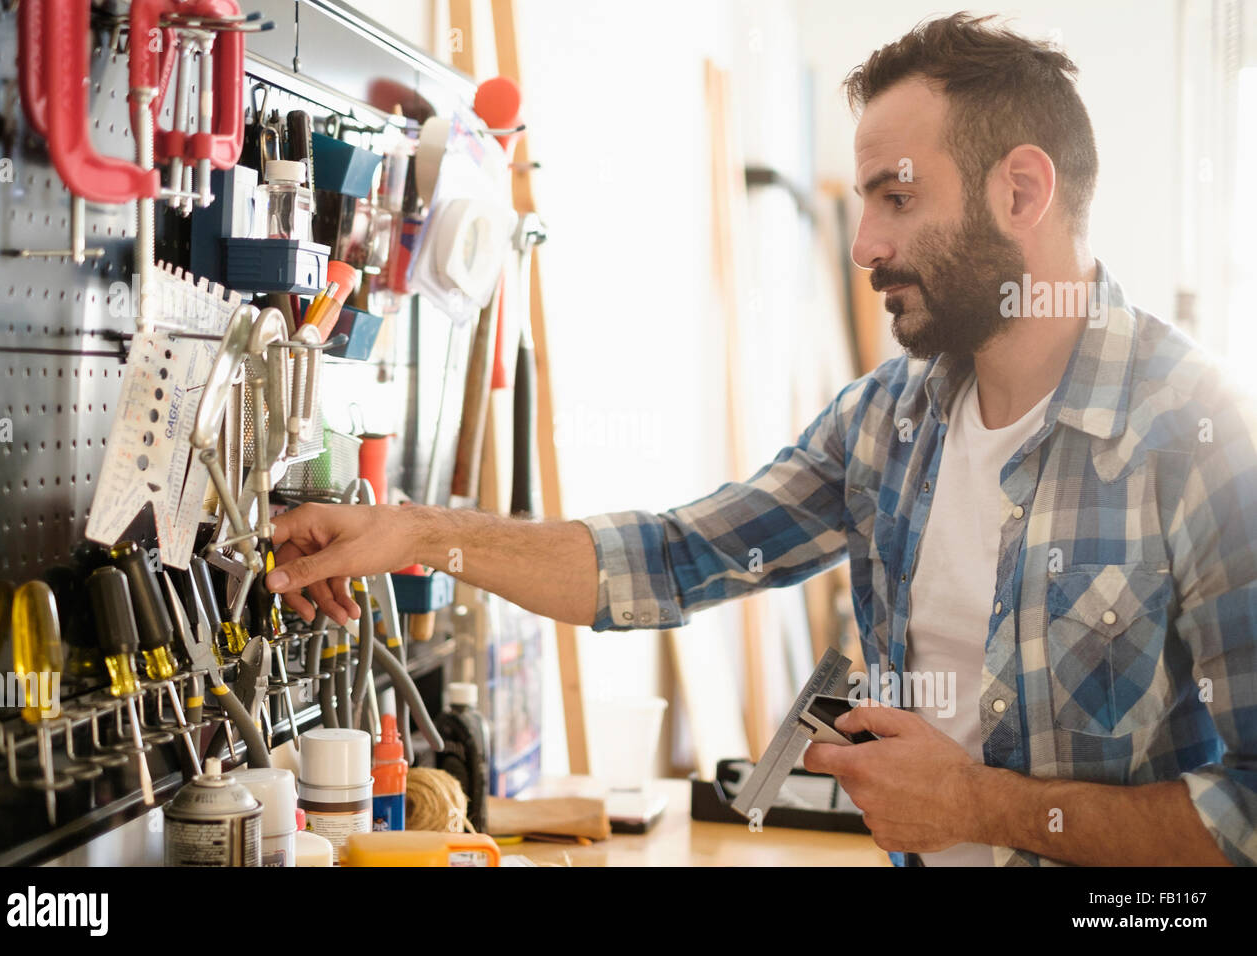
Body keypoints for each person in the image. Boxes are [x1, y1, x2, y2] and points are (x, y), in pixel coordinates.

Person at [264, 13, 1253, 866]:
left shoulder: (1199, 439)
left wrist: (979, 803)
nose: (864, 240)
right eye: (866, 200)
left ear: (1022, 193)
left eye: (896, 197)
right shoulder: (888, 422)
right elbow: (672, 557)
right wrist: (414, 531)